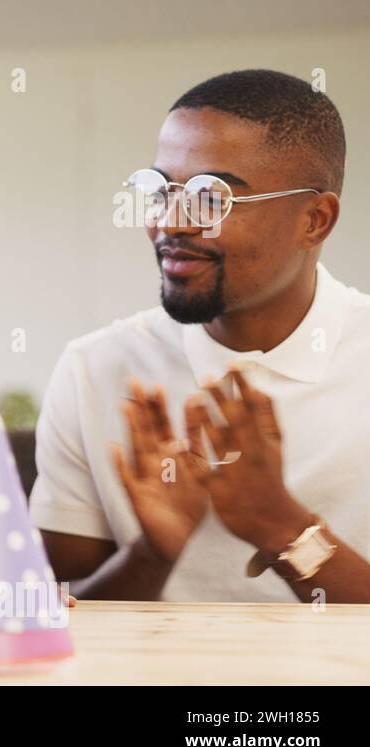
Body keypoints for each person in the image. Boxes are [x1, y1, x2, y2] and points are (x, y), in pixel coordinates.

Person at [32, 69, 370, 603]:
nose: (172, 221)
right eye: (160, 190)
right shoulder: (94, 369)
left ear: (315, 220)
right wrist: (152, 554)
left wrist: (284, 529)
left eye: (211, 199)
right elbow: (57, 615)